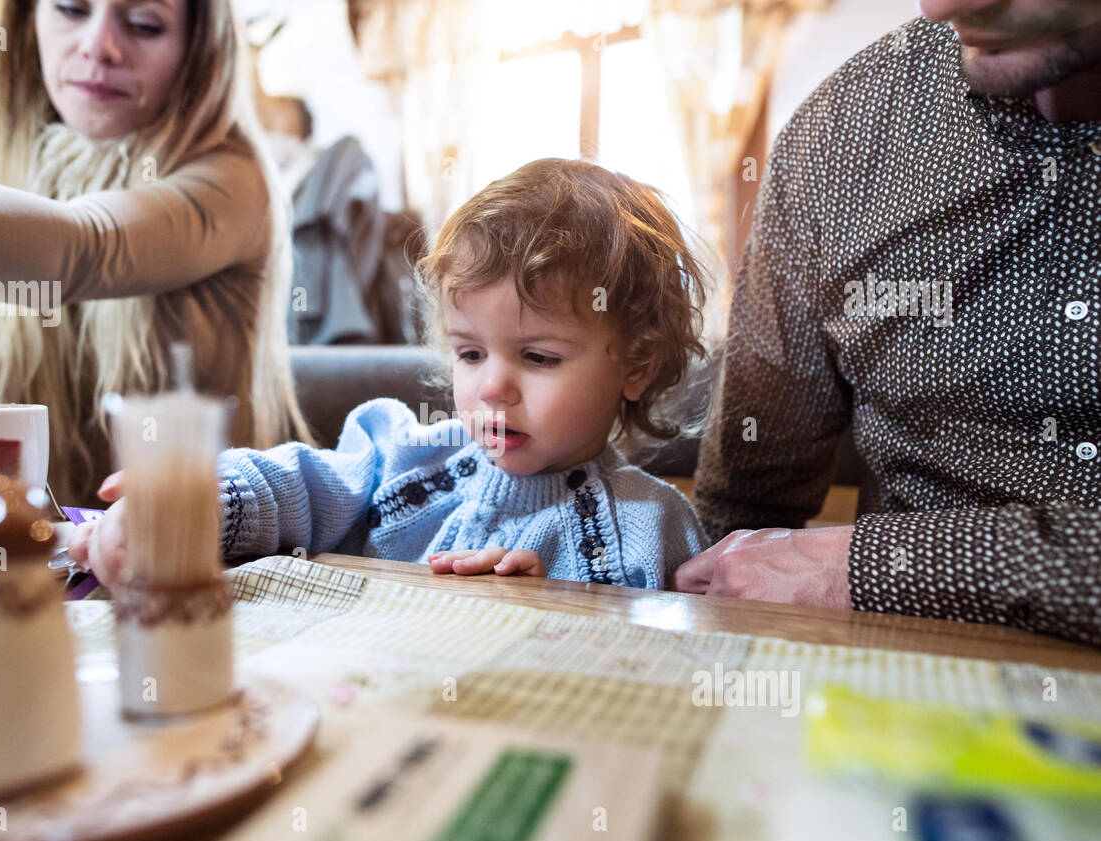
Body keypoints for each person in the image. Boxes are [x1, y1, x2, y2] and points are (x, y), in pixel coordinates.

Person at [70, 158, 711, 588]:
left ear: (637, 365)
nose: (491, 388)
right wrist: (197, 500)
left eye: (539, 357)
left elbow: (661, 675)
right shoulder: (405, 459)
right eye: (470, 353)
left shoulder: (656, 527)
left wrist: (558, 608)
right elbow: (304, 484)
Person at [674, 2, 1101, 644]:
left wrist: (884, 566)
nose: (942, 5)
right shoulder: (839, 133)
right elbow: (745, 503)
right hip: (882, 686)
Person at [0, 0, 309, 503]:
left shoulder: (234, 183)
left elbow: (80, 248)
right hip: (51, 572)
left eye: (143, 24)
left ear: (197, 47)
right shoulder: (12, 173)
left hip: (207, 566)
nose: (99, 46)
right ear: (28, 23)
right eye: (70, 9)